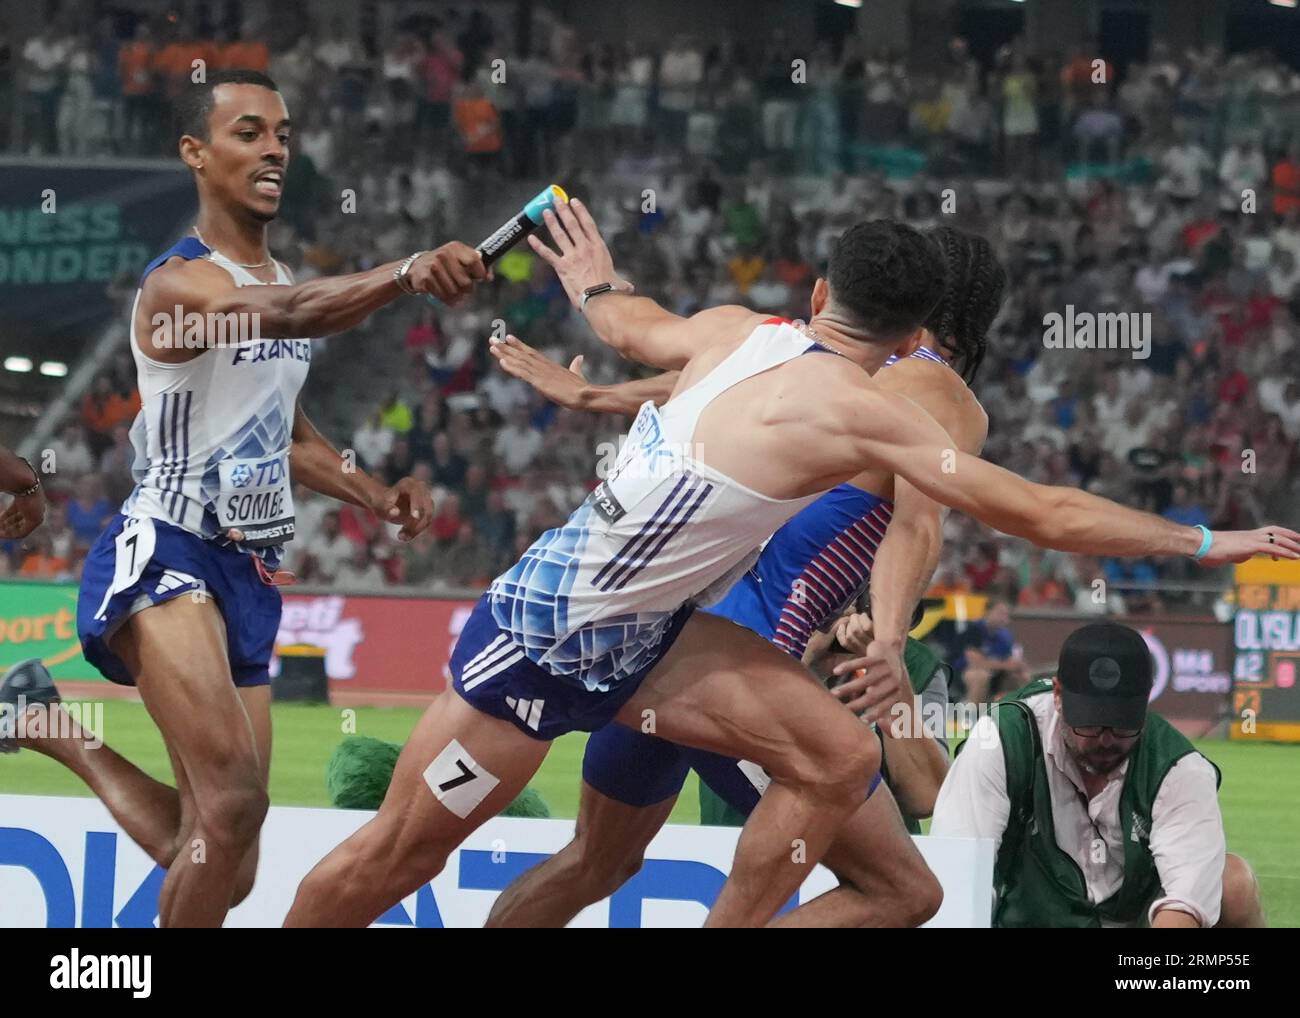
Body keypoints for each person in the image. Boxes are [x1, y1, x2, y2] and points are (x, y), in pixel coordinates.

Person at [285, 201, 1293, 929]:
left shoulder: (735, 331)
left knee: (842, 756)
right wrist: (1203, 541)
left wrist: (588, 277)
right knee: (403, 850)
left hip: (657, 631)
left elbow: (623, 319)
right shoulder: (870, 409)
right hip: (550, 634)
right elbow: (1038, 512)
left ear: (819, 293)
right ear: (909, 337)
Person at [0, 70, 484, 928]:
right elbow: (293, 312)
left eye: (284, 135)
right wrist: (408, 271)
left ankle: (45, 724)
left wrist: (374, 493)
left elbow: (290, 438)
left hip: (247, 576)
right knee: (226, 813)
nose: (274, 151)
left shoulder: (279, 278)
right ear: (196, 153)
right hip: (167, 551)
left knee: (233, 857)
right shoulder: (180, 288)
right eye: (249, 133)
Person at [483, 225, 1002, 928]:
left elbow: (697, 375)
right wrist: (889, 632)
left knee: (595, 862)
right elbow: (918, 526)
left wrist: (594, 397)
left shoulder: (809, 355)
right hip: (749, 651)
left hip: (667, 637)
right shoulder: (947, 401)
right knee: (904, 891)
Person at [931, 622, 1264, 928]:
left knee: (1232, 883)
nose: (1105, 740)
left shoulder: (1180, 768)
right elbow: (956, 871)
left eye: (1122, 724)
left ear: (1146, 701)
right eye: (1089, 723)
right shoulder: (1000, 740)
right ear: (1058, 695)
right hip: (1027, 920)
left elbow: (1184, 906)